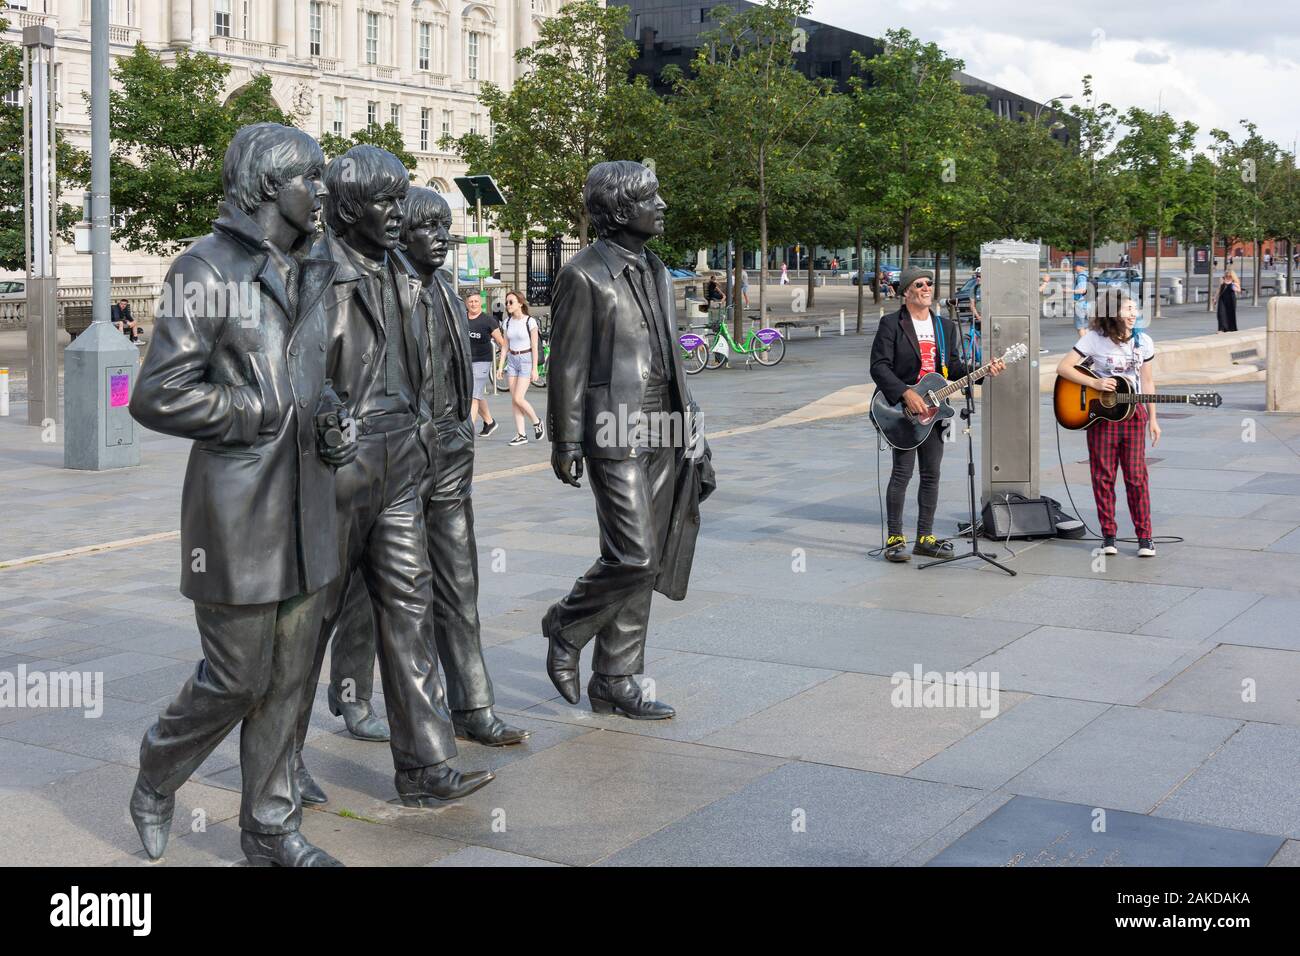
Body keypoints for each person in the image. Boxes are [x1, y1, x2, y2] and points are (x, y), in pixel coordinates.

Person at [127, 123, 356, 867]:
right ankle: (158, 771)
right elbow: (155, 394)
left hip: (309, 501)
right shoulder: (205, 267)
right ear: (268, 185)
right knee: (236, 678)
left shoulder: (316, 268)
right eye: (309, 179)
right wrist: (249, 413)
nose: (321, 193)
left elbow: (316, 378)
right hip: (238, 508)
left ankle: (271, 831)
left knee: (289, 682)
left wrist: (330, 418)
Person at [295, 144, 495, 809]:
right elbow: (292, 371)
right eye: (385, 202)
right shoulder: (312, 272)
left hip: (400, 465)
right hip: (337, 469)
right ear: (349, 209)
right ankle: (281, 760)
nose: (397, 213)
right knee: (313, 621)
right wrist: (325, 410)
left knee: (411, 610)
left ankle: (427, 766)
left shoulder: (401, 273)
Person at [544, 160, 715, 720]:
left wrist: (694, 432)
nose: (662, 205)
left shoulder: (660, 271)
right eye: (651, 197)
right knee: (634, 554)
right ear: (620, 209)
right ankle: (567, 624)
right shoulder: (584, 274)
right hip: (613, 426)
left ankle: (616, 678)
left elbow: (672, 359)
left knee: (653, 550)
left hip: (667, 425)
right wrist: (566, 440)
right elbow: (566, 363)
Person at [870, 267, 1004, 563]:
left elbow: (953, 369)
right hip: (902, 410)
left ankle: (924, 538)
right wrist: (905, 393)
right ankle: (894, 538)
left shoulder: (945, 327)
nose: (927, 287)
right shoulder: (891, 324)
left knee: (931, 474)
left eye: (929, 283)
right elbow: (879, 366)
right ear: (906, 292)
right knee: (902, 473)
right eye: (919, 284)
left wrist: (983, 371)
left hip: (935, 411)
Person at [1056, 288, 1159, 557]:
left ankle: (1145, 537)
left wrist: (1153, 419)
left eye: (1135, 308)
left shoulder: (1143, 342)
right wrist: (1095, 383)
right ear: (1112, 313)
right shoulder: (1094, 340)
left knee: (1136, 477)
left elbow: (1147, 381)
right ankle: (1109, 535)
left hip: (1134, 414)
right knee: (1103, 477)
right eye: (1127, 309)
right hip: (1103, 416)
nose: (1133, 313)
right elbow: (1063, 368)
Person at [495, 290, 544, 446]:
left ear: (520, 303)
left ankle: (537, 422)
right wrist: (500, 367)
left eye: (511, 302)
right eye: (507, 302)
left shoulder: (530, 321)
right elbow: (505, 347)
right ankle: (521, 434)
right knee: (514, 400)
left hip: (526, 360)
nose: (508, 305)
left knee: (518, 398)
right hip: (512, 360)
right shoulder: (506, 322)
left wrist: (534, 369)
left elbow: (535, 346)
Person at [463, 290, 505, 435]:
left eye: (475, 301)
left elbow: (501, 342)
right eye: (470, 302)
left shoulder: (488, 320)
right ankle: (489, 422)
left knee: (473, 397)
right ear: (466, 304)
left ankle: (469, 431)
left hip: (482, 361)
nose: (473, 304)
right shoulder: (463, 318)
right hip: (467, 361)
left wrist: (504, 361)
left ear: (480, 302)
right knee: (476, 394)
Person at [1072, 261, 1090, 338]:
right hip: (1087, 303)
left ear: (1080, 267)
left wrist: (1069, 291)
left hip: (1080, 303)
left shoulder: (1081, 277)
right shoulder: (1087, 275)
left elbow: (1082, 290)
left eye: (1075, 267)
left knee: (1080, 327)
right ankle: (1088, 345)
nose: (1074, 268)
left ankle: (1084, 346)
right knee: (1086, 326)